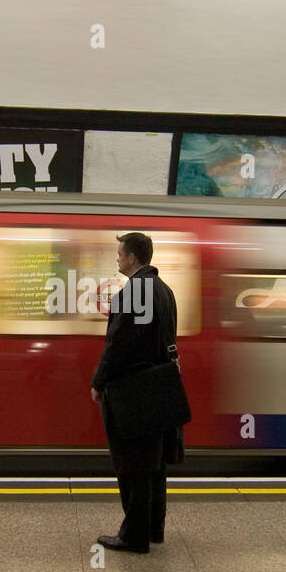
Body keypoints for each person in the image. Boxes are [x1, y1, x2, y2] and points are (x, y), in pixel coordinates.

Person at [91, 232, 183, 553]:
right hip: (158, 386)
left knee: (133, 465)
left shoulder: (137, 291)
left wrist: (99, 381)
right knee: (154, 465)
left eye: (120, 254)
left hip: (135, 391)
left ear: (132, 258)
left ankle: (134, 536)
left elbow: (121, 343)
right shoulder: (164, 290)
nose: (117, 259)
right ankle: (153, 528)